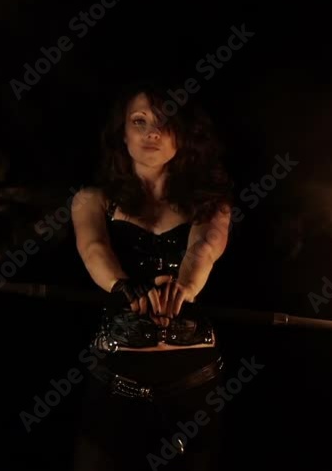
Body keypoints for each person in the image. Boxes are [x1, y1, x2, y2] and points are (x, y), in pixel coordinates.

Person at [70, 85, 233, 470]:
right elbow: (94, 248)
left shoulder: (211, 202)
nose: (152, 133)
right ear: (122, 133)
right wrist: (125, 287)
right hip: (115, 380)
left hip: (194, 381)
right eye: (139, 121)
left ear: (183, 133)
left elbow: (204, 247)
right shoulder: (92, 199)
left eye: (164, 121)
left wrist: (184, 287)